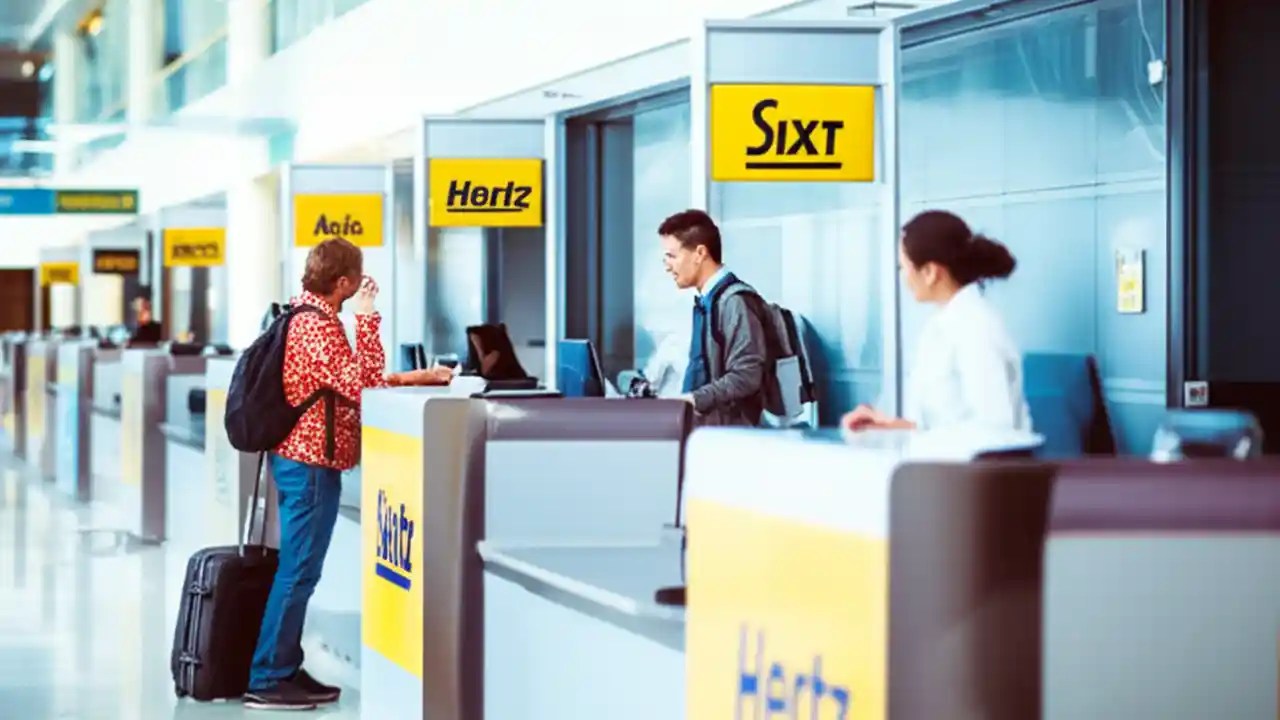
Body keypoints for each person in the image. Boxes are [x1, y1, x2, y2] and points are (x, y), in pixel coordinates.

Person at [244, 239, 407, 710]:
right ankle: (268, 676)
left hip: (307, 462)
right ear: (342, 283)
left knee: (301, 571)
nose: (361, 285)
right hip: (309, 464)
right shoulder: (316, 327)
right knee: (298, 573)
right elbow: (366, 382)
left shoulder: (305, 316)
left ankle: (283, 666)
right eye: (358, 277)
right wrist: (369, 315)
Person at [842, 210, 1031, 434]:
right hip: (946, 463)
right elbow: (941, 426)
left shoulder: (976, 327)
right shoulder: (944, 325)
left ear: (930, 272)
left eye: (903, 267)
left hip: (977, 468)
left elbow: (996, 429)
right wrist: (890, 426)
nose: (902, 277)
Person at [659, 209, 768, 426]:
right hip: (708, 430)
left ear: (700, 253)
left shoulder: (734, 302)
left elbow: (746, 376)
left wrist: (694, 400)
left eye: (672, 255)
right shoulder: (707, 301)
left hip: (730, 438)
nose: (666, 265)